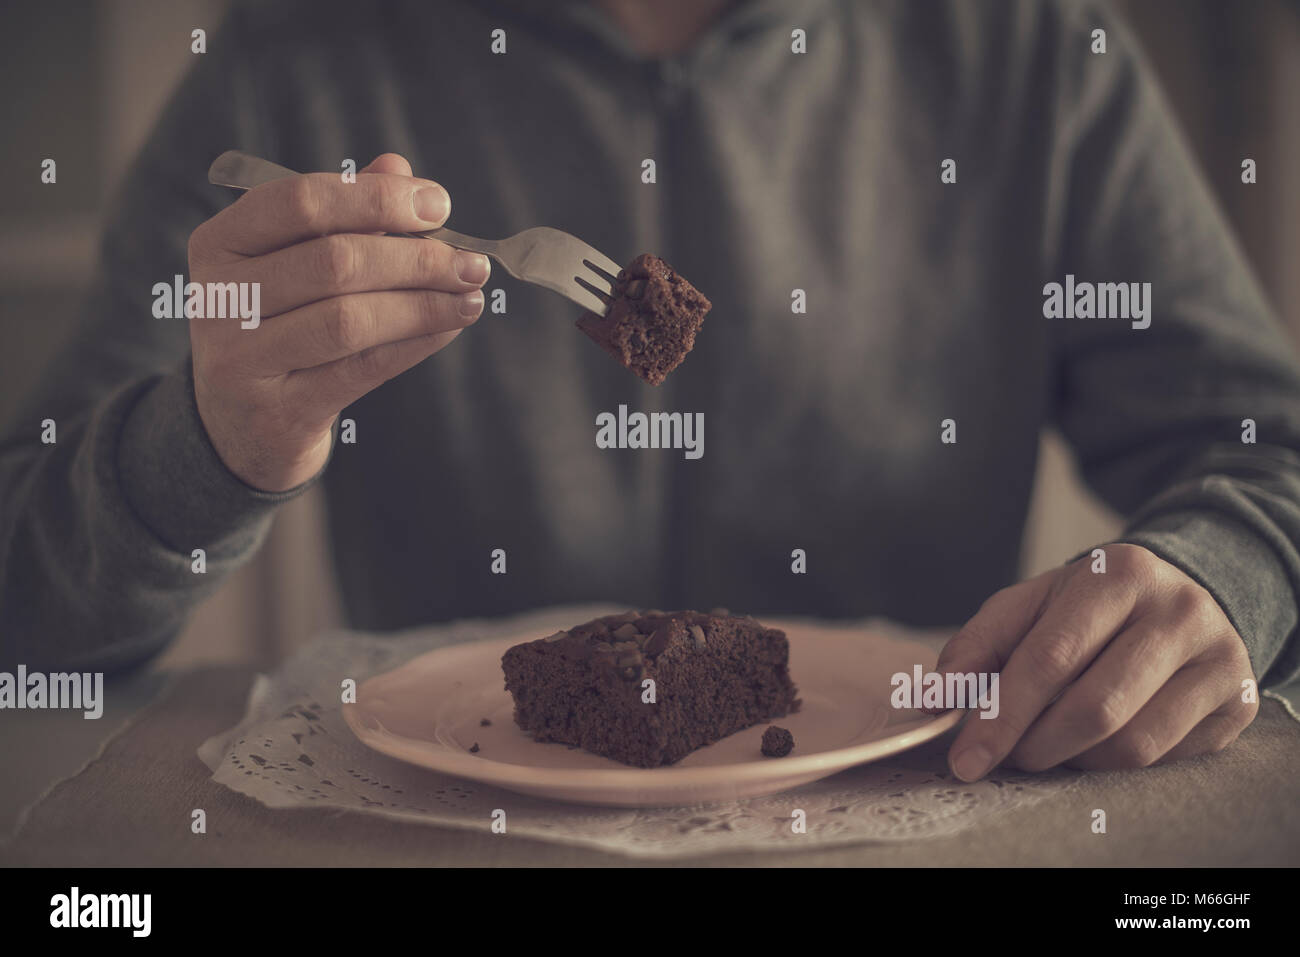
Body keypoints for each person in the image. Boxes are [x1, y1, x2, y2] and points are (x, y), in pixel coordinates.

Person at [2, 0, 1298, 784]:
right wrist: (205, 446)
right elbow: (23, 628)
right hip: (453, 826)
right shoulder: (299, 55)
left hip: (931, 802)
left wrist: (1229, 570)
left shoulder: (1032, 51)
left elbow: (1269, 453)